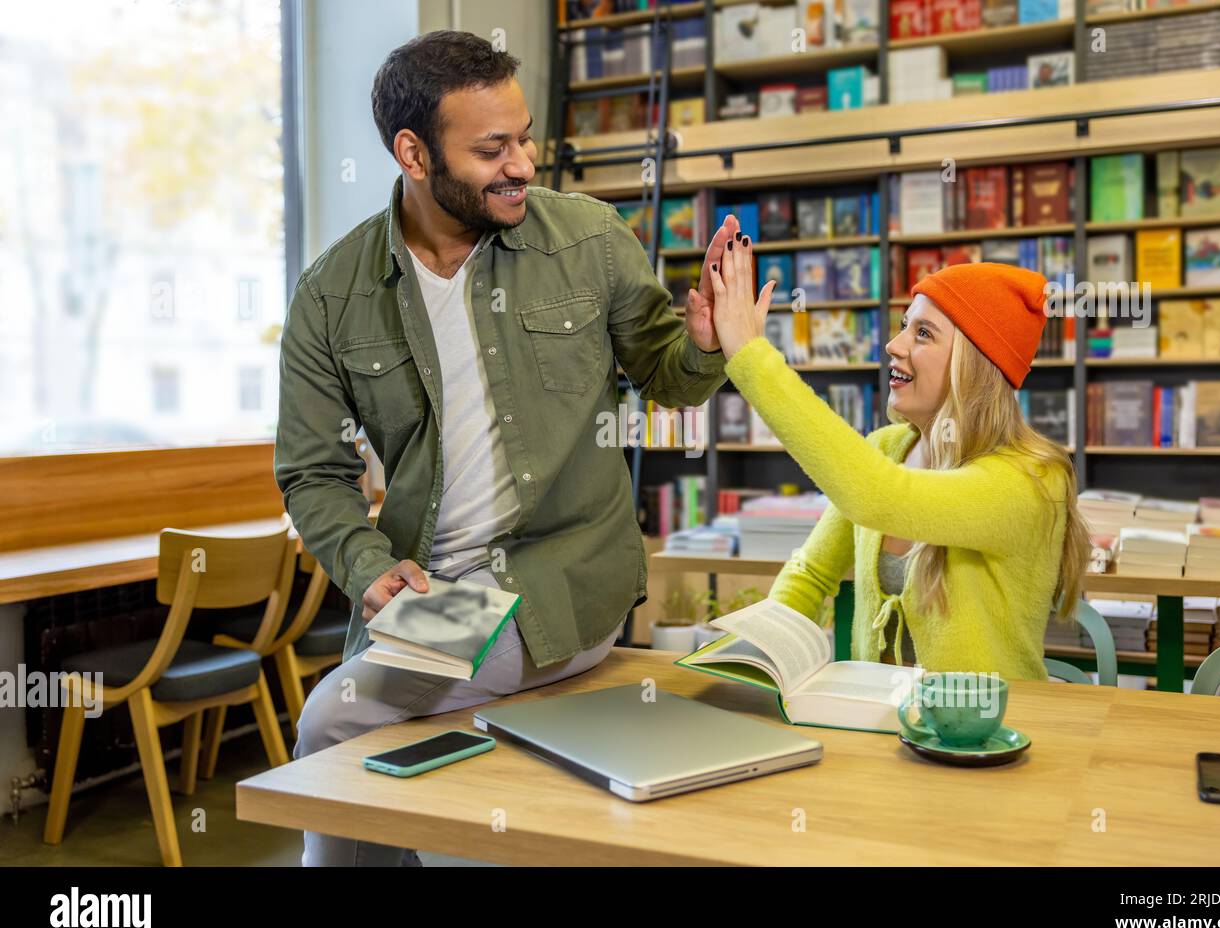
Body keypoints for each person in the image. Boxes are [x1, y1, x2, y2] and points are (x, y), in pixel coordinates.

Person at [274, 30, 739, 865]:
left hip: (559, 582)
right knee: (381, 756)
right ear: (413, 154)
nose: (522, 163)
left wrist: (707, 344)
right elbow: (312, 471)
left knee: (333, 717)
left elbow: (669, 377)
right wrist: (364, 563)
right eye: (492, 149)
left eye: (524, 136)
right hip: (430, 598)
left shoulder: (590, 241)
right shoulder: (332, 295)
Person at [704, 239, 1091, 680]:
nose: (893, 344)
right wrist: (758, 660)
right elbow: (810, 574)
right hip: (884, 728)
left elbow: (879, 495)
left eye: (922, 333)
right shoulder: (887, 448)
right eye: (904, 325)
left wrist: (750, 357)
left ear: (974, 365)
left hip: (989, 735)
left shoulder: (1031, 479)